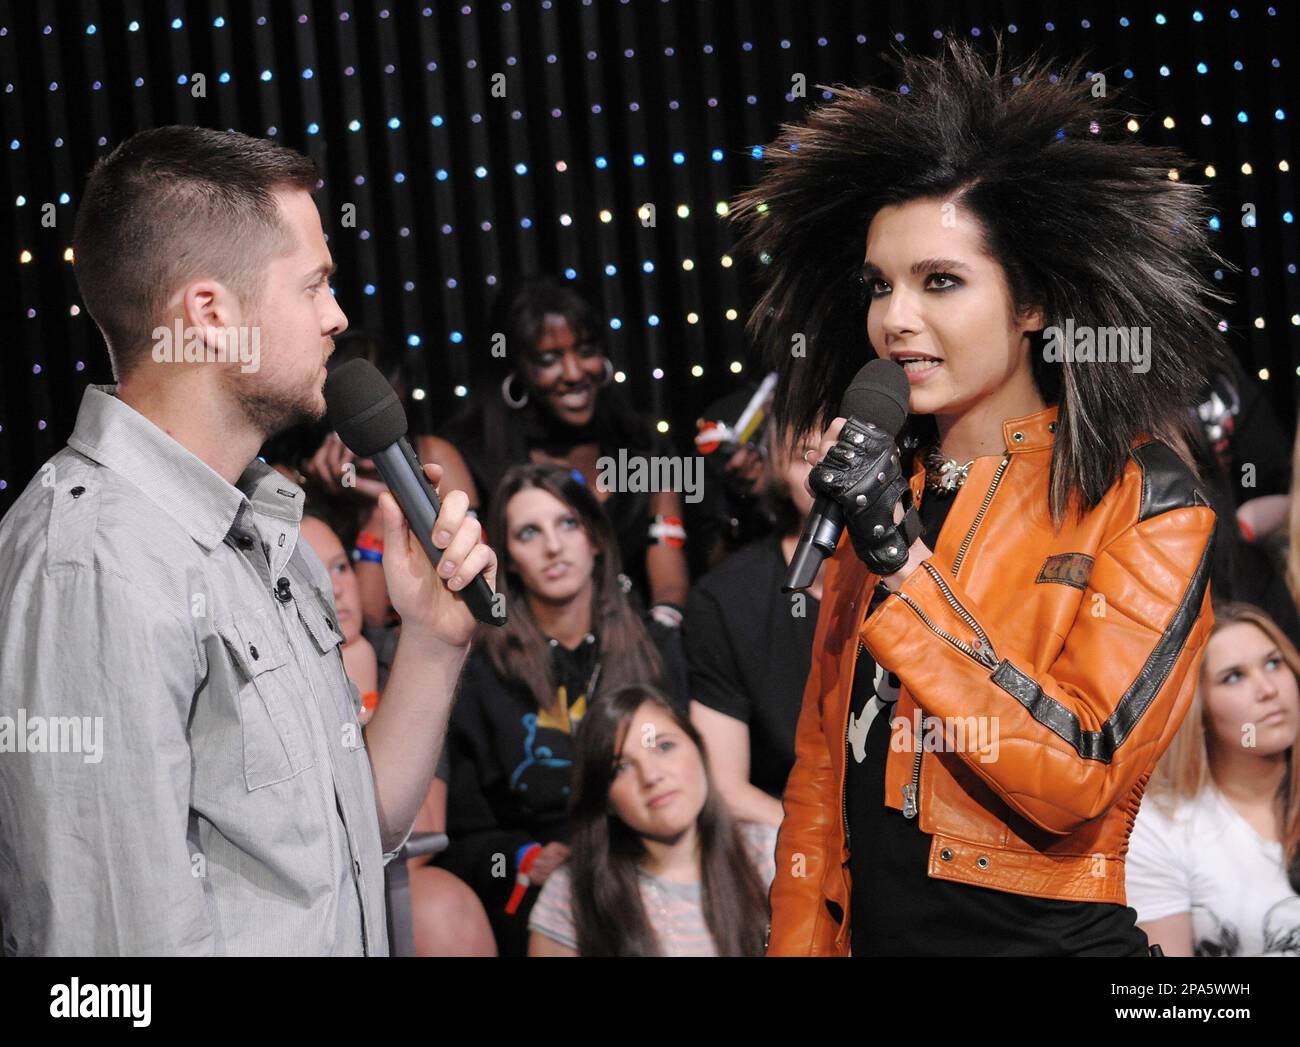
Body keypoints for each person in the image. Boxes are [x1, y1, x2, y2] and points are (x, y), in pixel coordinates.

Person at [730, 40, 1221, 956]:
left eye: (940, 281)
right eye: (880, 285)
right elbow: (820, 782)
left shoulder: (1143, 496)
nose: (895, 318)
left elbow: (1075, 770)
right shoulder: (884, 490)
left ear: (1031, 301)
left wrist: (901, 568)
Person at [0, 126, 497, 956]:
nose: (338, 316)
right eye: (313, 287)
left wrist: (435, 643)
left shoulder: (265, 525)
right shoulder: (92, 562)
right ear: (210, 314)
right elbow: (114, 955)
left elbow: (342, 839)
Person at [434, 463, 689, 956]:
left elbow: (701, 784)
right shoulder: (482, 673)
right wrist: (522, 858)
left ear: (594, 538)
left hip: (660, 874)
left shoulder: (658, 646)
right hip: (548, 904)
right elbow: (460, 837)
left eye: (567, 523)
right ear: (508, 559)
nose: (553, 546)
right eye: (529, 533)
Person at [431, 276, 690, 621]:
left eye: (585, 351)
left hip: (636, 638)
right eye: (549, 359)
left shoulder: (646, 445)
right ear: (518, 368)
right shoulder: (470, 454)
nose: (573, 372)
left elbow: (669, 561)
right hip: (522, 649)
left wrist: (663, 630)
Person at [528, 684, 775, 956]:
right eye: (621, 767)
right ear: (605, 797)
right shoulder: (572, 892)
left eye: (664, 746)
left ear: (701, 749)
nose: (651, 775)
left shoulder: (769, 853)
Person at [1126, 603, 1300, 956]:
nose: (1267, 689)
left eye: (1273, 663)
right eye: (1233, 676)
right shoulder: (1161, 825)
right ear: (1198, 711)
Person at [686, 422, 824, 827]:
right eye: (807, 457)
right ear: (776, 466)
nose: (828, 476)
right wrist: (819, 843)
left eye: (845, 452)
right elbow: (726, 788)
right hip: (795, 829)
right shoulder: (726, 600)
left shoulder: (924, 569)